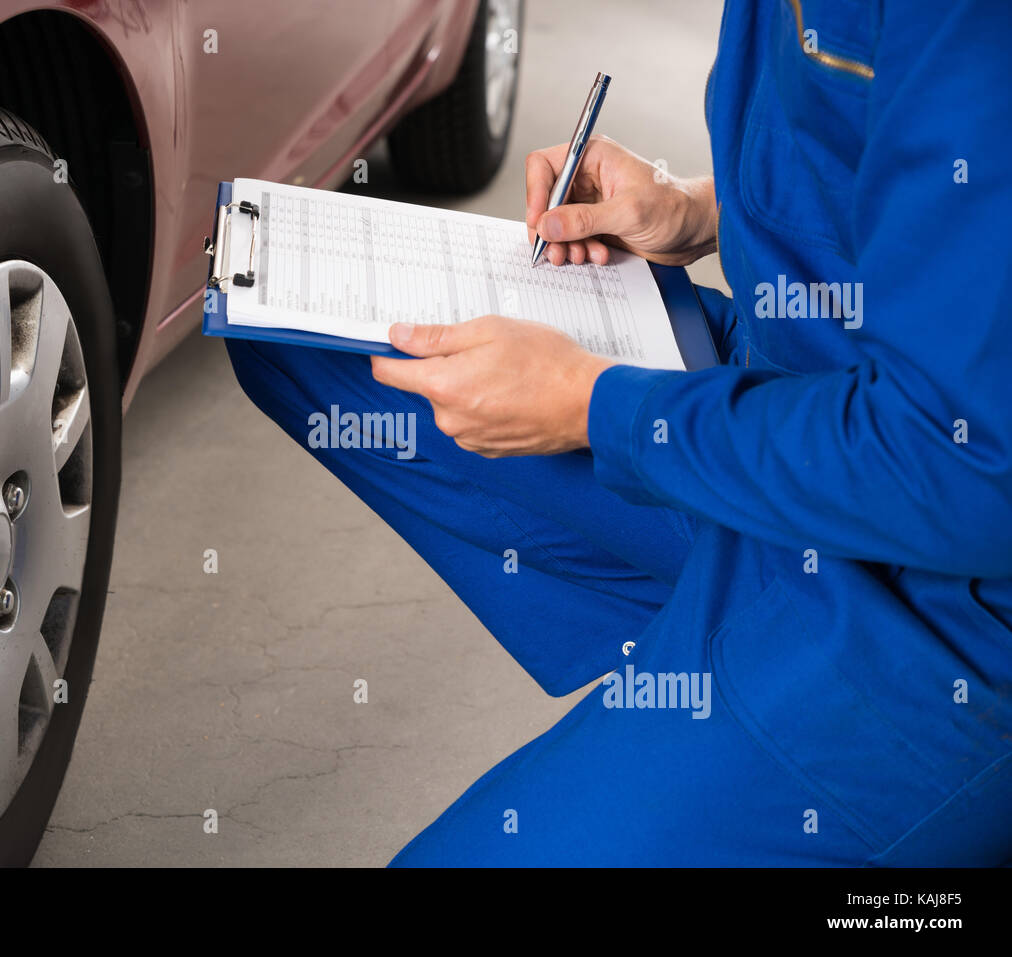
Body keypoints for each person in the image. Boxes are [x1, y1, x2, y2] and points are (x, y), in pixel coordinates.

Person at [224, 0, 1012, 865]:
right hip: (781, 407)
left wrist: (590, 404)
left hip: (935, 612)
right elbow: (890, 180)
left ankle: (750, 701)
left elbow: (962, 460)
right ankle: (697, 659)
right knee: (300, 340)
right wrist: (697, 211)